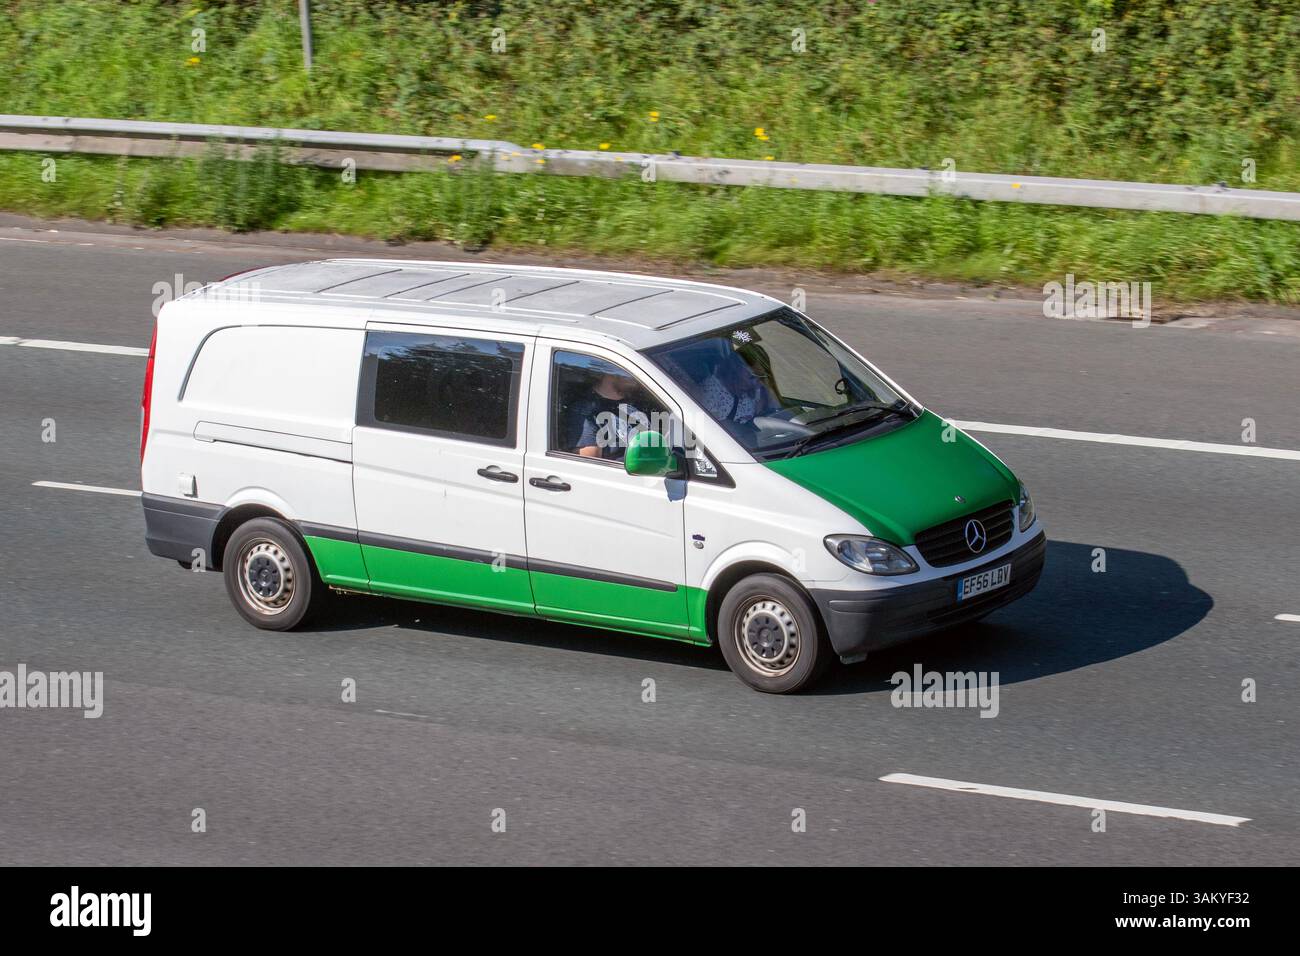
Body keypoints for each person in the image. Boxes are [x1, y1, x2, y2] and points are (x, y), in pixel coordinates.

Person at [565, 368, 648, 460]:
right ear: (612, 374)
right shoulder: (585, 412)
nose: (637, 378)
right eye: (630, 373)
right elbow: (591, 466)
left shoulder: (636, 398)